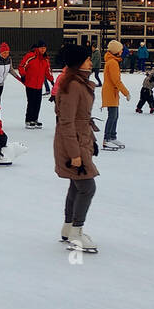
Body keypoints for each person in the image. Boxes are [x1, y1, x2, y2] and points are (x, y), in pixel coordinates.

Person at [53, 43, 100, 253]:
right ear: (78, 63)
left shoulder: (78, 82)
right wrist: (75, 154)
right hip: (73, 143)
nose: (91, 62)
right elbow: (66, 122)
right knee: (87, 186)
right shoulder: (73, 85)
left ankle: (68, 227)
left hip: (81, 140)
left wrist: (91, 141)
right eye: (87, 58)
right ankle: (77, 232)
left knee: (77, 184)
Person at [100, 39, 130, 149]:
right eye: (121, 50)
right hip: (110, 92)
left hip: (112, 92)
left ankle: (112, 136)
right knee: (112, 116)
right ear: (116, 51)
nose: (122, 52)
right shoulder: (112, 63)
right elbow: (116, 80)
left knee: (115, 115)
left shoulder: (113, 61)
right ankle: (107, 138)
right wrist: (126, 92)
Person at [18, 40, 53, 129]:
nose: (43, 50)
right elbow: (22, 66)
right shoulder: (30, 56)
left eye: (44, 48)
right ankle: (28, 120)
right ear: (38, 48)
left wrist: (52, 81)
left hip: (39, 84)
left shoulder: (45, 59)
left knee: (38, 103)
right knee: (31, 102)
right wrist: (23, 75)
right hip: (30, 83)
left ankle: (35, 119)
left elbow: (47, 71)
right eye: (41, 48)